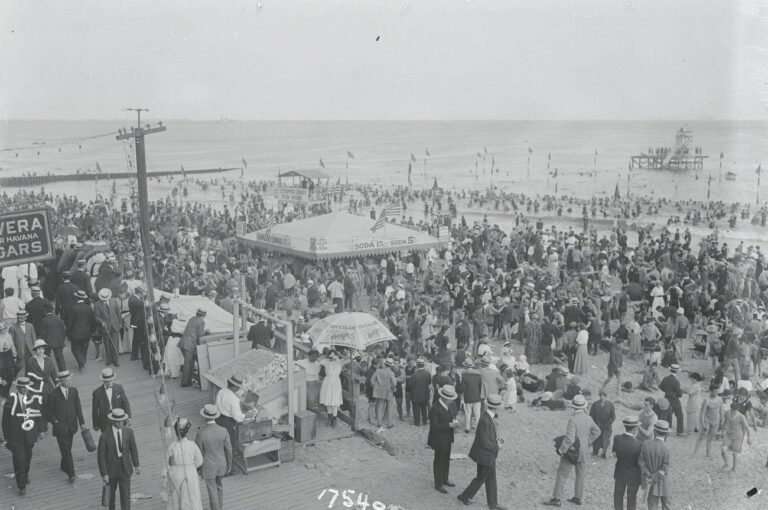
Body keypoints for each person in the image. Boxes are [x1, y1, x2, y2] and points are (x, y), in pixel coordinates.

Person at [543, 394, 601, 507]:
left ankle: (556, 498)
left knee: (562, 474)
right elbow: (597, 431)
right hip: (583, 450)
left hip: (572, 451)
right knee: (580, 475)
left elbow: (569, 439)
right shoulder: (589, 418)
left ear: (574, 407)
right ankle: (578, 497)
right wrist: (588, 442)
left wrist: (561, 449)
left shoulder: (573, 420)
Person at [457, 394, 507, 510]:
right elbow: (485, 442)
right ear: (496, 407)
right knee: (482, 478)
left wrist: (497, 439)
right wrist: (497, 446)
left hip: (487, 454)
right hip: (485, 455)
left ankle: (492, 504)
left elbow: (488, 437)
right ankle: (464, 496)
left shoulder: (489, 417)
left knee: (489, 478)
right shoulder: (485, 420)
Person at [2, 376, 43, 495]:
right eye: (23, 387)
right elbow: (5, 420)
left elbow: (38, 415)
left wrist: (40, 430)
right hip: (16, 436)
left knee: (28, 457)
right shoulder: (10, 400)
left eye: (27, 387)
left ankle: (25, 475)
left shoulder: (32, 399)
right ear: (18, 387)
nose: (25, 389)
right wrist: (6, 436)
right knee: (19, 459)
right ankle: (21, 485)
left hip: (30, 435)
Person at [46, 370, 85, 483]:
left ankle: (64, 464)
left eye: (70, 380)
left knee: (67, 448)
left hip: (72, 426)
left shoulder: (73, 391)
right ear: (61, 381)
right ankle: (71, 474)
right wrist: (55, 422)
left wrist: (82, 423)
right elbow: (49, 412)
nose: (69, 382)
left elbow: (78, 407)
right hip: (60, 427)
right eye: (67, 381)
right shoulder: (53, 394)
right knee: (67, 451)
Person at [97, 408, 140, 510]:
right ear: (113, 421)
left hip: (125, 467)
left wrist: (136, 465)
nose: (121, 423)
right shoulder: (104, 436)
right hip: (111, 470)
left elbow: (133, 448)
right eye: (118, 421)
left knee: (125, 495)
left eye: (122, 420)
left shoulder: (128, 432)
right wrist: (104, 474)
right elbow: (101, 457)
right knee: (111, 496)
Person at [195, 404, 233, 510]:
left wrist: (198, 468)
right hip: (221, 464)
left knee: (212, 490)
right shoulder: (223, 431)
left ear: (205, 417)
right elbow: (229, 450)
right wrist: (229, 465)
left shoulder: (201, 433)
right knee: (220, 487)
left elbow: (198, 454)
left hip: (208, 467)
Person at [166, 417, 204, 510]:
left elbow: (169, 463)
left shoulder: (172, 446)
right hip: (190, 472)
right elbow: (199, 461)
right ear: (187, 432)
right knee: (192, 497)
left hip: (177, 473)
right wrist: (192, 465)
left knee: (176, 497)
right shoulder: (192, 445)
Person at [428, 384, 459, 493]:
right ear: (444, 398)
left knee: (446, 459)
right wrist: (449, 425)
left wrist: (454, 424)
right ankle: (438, 483)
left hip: (447, 437)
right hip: (438, 439)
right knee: (439, 460)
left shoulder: (448, 405)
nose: (452, 401)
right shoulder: (435, 408)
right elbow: (434, 427)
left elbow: (451, 417)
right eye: (450, 399)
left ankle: (445, 479)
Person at [638, 420, 672, 510]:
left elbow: (641, 462)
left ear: (654, 431)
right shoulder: (667, 448)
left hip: (649, 481)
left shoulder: (645, 444)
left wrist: (649, 475)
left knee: (652, 506)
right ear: (666, 434)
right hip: (664, 482)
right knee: (667, 506)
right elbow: (665, 471)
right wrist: (654, 477)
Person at [612, 416, 642, 510]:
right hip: (634, 474)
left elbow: (615, 454)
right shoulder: (638, 444)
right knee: (632, 498)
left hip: (620, 471)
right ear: (634, 429)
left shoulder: (617, 438)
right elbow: (640, 461)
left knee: (618, 495)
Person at [215, 375, 246, 468]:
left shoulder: (221, 391)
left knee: (221, 443)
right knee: (229, 445)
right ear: (234, 387)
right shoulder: (233, 399)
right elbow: (238, 417)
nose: (237, 389)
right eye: (237, 388)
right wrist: (246, 415)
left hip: (218, 419)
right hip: (227, 423)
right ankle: (229, 467)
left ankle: (222, 462)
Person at [92, 368, 132, 432]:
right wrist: (95, 424)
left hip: (118, 417)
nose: (110, 383)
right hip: (104, 420)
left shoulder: (119, 388)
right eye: (108, 381)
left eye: (111, 380)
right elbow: (95, 410)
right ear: (104, 381)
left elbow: (125, 402)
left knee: (120, 435)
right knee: (108, 439)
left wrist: (129, 416)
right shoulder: (97, 393)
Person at [94, 288, 122, 367]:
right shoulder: (97, 304)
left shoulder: (114, 301)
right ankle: (109, 360)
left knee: (115, 344)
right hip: (105, 327)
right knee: (107, 344)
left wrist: (120, 323)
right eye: (103, 299)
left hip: (115, 325)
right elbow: (96, 316)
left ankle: (115, 360)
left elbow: (118, 312)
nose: (105, 300)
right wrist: (101, 321)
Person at [67, 289, 95, 370]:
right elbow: (92, 321)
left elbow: (70, 323)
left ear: (76, 298)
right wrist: (92, 331)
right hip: (87, 332)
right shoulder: (88, 308)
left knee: (75, 349)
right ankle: (82, 364)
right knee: (84, 349)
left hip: (75, 333)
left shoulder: (73, 308)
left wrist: (69, 333)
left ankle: (81, 362)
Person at [720, 401, 752, 472]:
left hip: (737, 436)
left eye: (734, 411)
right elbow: (724, 423)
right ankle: (726, 463)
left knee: (735, 453)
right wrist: (722, 432)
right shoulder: (728, 413)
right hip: (728, 434)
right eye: (731, 410)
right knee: (723, 450)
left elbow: (747, 427)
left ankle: (734, 469)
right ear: (730, 408)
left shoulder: (741, 416)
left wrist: (749, 438)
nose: (732, 412)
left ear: (737, 409)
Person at [180, 308, 208, 387]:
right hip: (190, 344)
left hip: (183, 343)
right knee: (188, 364)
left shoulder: (191, 318)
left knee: (189, 363)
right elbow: (200, 335)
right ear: (203, 315)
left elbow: (193, 330)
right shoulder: (202, 321)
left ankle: (188, 381)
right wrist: (206, 332)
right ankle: (185, 382)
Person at [694, 388, 724, 457]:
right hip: (707, 420)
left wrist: (722, 420)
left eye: (717, 391)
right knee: (702, 436)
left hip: (716, 421)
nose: (717, 393)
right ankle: (695, 452)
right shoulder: (706, 400)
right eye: (715, 391)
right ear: (711, 391)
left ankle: (708, 453)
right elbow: (702, 413)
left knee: (710, 438)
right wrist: (703, 424)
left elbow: (721, 411)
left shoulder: (720, 400)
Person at [659, 364, 686, 436]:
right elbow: (680, 393)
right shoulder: (676, 380)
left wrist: (667, 391)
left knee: (667, 414)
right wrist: (679, 393)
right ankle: (680, 431)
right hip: (674, 399)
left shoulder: (666, 378)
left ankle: (664, 429)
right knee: (680, 415)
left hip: (667, 397)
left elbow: (661, 387)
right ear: (677, 371)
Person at [39, 301, 67, 370]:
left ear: (44, 311)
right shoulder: (58, 318)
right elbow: (63, 331)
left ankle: (48, 371)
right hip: (59, 341)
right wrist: (62, 340)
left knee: (46, 358)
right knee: (60, 358)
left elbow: (42, 334)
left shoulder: (44, 320)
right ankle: (63, 372)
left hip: (48, 343)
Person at [319, 350, 344, 427]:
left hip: (336, 382)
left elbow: (349, 359)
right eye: (331, 355)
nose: (332, 357)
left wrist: (340, 355)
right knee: (328, 400)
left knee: (335, 401)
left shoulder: (340, 362)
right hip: (328, 381)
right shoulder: (326, 361)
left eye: (334, 355)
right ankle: (329, 419)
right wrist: (326, 355)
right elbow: (319, 360)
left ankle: (334, 419)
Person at [590, 389, 616, 459]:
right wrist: (595, 424)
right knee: (596, 439)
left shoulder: (610, 405)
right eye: (601, 395)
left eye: (604, 395)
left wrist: (607, 424)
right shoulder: (595, 404)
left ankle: (604, 453)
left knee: (605, 439)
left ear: (606, 396)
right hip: (597, 425)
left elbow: (613, 417)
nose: (602, 397)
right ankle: (595, 451)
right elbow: (591, 415)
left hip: (607, 427)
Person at [371, 357, 396, 429]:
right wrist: (394, 388)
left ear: (385, 364)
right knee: (389, 408)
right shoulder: (391, 373)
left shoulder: (378, 371)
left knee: (379, 407)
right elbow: (394, 383)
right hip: (389, 391)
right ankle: (389, 424)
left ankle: (379, 424)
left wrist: (375, 387)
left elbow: (372, 380)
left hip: (379, 391)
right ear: (391, 366)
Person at [411, 358, 432, 426]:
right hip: (425, 394)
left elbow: (410, 385)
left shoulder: (414, 375)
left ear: (417, 365)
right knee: (424, 409)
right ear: (423, 365)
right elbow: (429, 383)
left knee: (416, 410)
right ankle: (424, 421)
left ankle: (417, 423)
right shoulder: (428, 374)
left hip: (416, 395)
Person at [0, 322, 16, 398]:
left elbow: (12, 345)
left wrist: (14, 355)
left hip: (9, 355)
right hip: (1, 355)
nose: (2, 331)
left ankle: (7, 390)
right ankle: (3, 391)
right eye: (1, 330)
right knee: (2, 373)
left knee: (10, 374)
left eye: (3, 329)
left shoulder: (9, 336)